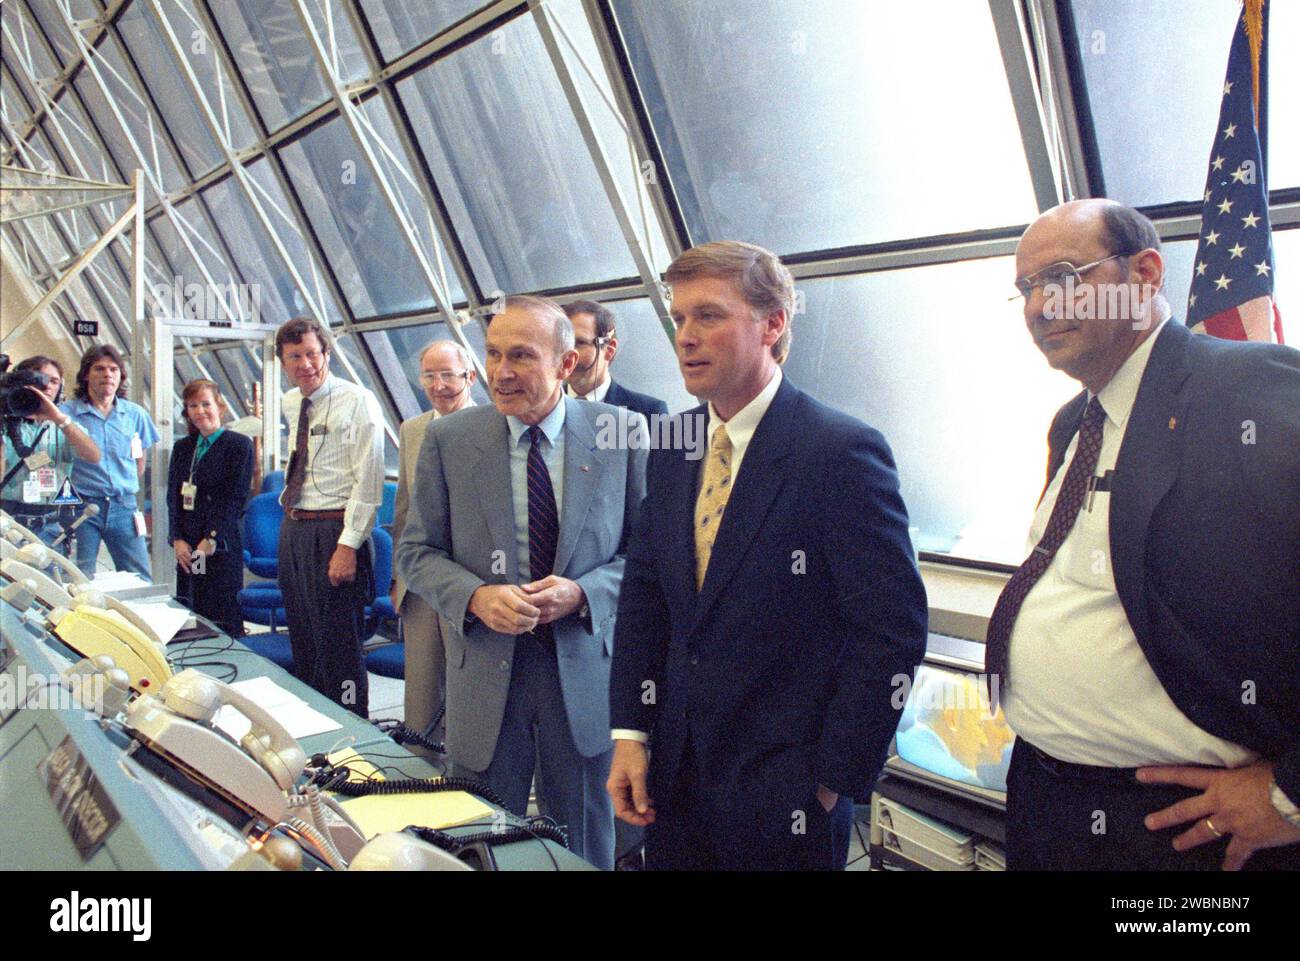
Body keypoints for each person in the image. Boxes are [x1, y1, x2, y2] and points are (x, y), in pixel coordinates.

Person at [990, 199, 1300, 871]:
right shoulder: (1075, 422)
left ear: (1146, 272)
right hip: (1047, 798)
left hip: (1176, 825)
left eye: (1065, 276)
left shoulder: (1247, 391)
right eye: (1026, 288)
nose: (1039, 305)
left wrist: (1289, 795)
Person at [606, 241, 928, 870]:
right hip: (673, 777)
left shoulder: (839, 451)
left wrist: (834, 777)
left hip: (789, 791)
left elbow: (891, 629)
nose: (686, 337)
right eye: (678, 320)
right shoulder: (674, 446)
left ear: (773, 323)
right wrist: (631, 733)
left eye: (709, 316)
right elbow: (646, 597)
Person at [395, 295, 647, 871]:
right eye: (492, 354)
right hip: (484, 674)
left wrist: (583, 593)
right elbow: (415, 551)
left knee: (581, 845)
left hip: (582, 676)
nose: (501, 372)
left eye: (522, 357)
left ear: (566, 365)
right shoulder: (449, 440)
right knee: (480, 845)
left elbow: (648, 559)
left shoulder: (623, 434)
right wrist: (476, 597)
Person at [276, 318, 384, 718]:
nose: (305, 363)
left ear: (326, 353)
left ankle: (354, 732)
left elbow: (369, 481)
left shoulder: (357, 401)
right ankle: (316, 726)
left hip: (336, 531)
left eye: (312, 353)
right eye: (294, 357)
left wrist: (348, 545)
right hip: (296, 528)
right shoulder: (292, 402)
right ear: (283, 363)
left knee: (340, 646)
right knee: (303, 639)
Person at [390, 340, 477, 755]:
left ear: (470, 377)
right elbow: (403, 511)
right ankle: (419, 775)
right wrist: (398, 578)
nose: (439, 385)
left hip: (471, 584)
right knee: (421, 695)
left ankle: (466, 777)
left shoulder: (492, 426)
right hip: (420, 584)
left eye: (449, 375)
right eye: (430, 375)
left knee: (469, 694)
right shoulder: (412, 430)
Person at [61, 345, 160, 578]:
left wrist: (122, 485)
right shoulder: (67, 413)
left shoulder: (135, 415)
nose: (108, 374)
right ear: (86, 374)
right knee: (79, 576)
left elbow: (139, 460)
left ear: (121, 376)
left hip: (124, 507)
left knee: (139, 577)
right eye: (100, 369)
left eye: (114, 369)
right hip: (82, 507)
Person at [166, 379, 253, 638]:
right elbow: (173, 496)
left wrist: (210, 540)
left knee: (221, 609)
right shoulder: (183, 448)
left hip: (218, 544)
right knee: (193, 604)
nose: (200, 411)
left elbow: (235, 500)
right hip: (189, 545)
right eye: (193, 405)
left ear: (220, 406)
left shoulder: (238, 445)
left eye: (206, 404)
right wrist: (177, 539)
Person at [1, 356, 100, 546]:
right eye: (39, 379)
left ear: (60, 388)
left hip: (49, 528)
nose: (47, 387)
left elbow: (93, 456)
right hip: (6, 525)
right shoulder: (5, 425)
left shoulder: (65, 428)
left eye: (54, 381)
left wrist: (58, 418)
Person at [562, 300, 669, 420]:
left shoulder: (649, 412)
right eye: (561, 344)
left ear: (609, 350)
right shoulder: (541, 409)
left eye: (580, 343)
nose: (567, 355)